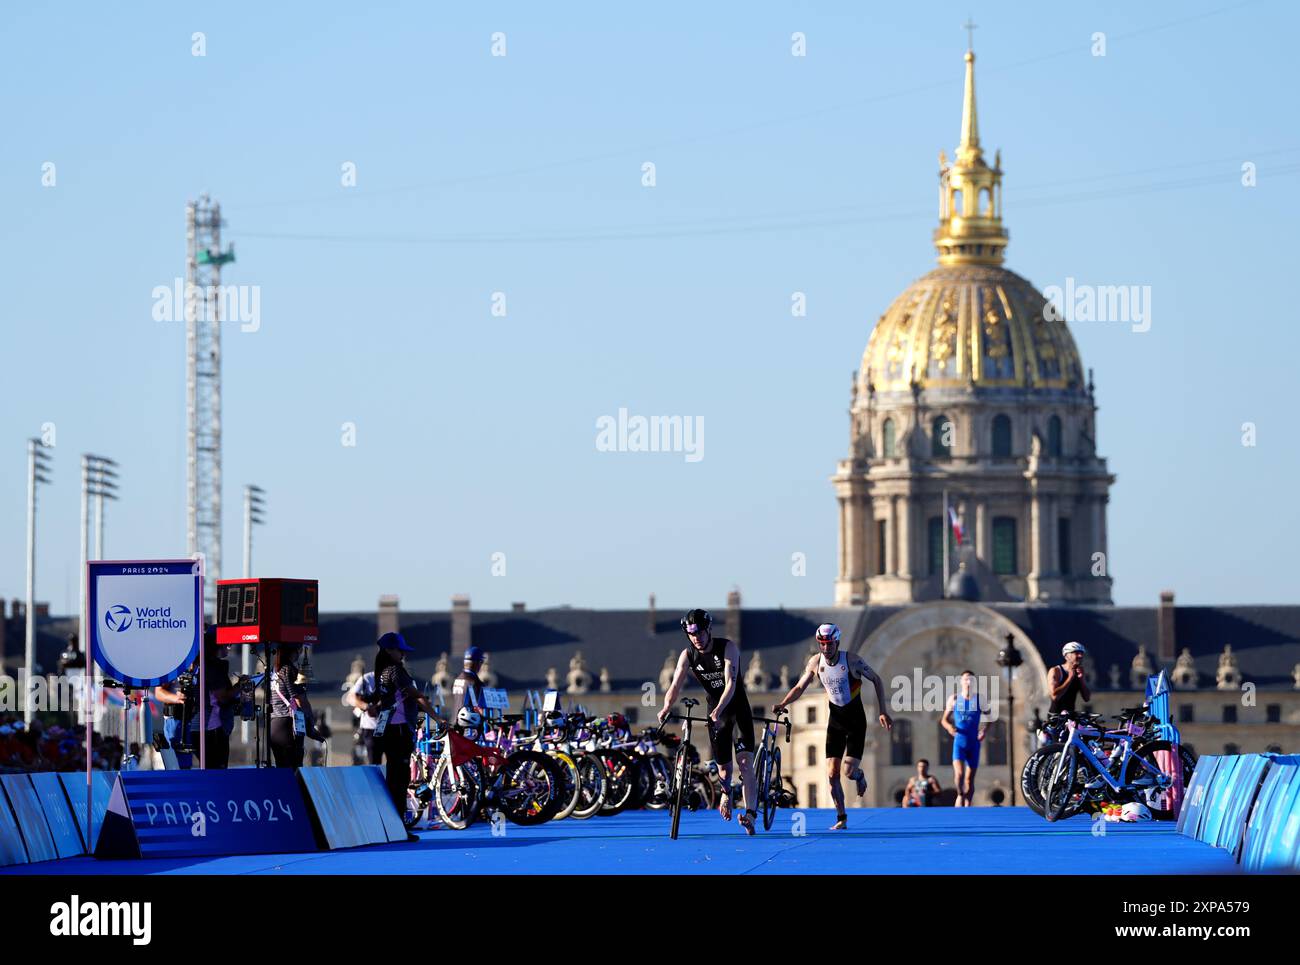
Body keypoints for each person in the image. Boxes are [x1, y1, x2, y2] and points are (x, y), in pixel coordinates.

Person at [774, 622, 892, 830]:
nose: (826, 649)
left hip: (856, 721)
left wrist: (882, 711)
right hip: (835, 721)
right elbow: (800, 686)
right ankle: (841, 817)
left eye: (829, 644)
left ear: (836, 642)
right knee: (831, 774)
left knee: (848, 772)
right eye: (822, 644)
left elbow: (877, 680)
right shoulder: (815, 662)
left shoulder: (852, 660)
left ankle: (859, 775)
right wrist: (783, 703)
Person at [657, 608, 760, 835]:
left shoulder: (727, 648)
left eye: (700, 634)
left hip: (736, 708)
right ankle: (726, 793)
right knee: (724, 770)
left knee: (744, 763)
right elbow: (674, 686)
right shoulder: (688, 655)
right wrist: (666, 706)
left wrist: (719, 709)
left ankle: (751, 814)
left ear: (708, 630)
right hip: (716, 712)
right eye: (692, 635)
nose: (697, 639)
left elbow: (731, 683)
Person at [371, 631, 438, 837]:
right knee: (400, 780)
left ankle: (394, 825)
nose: (403, 655)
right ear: (390, 650)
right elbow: (417, 697)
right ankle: (399, 827)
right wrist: (438, 718)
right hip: (399, 731)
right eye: (400, 651)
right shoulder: (395, 671)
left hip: (389, 730)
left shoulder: (381, 672)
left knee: (394, 779)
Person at [269, 644, 327, 769]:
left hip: (274, 725)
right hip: (289, 725)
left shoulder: (275, 671)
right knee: (294, 769)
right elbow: (300, 700)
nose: (301, 652)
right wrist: (311, 724)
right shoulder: (288, 670)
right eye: (300, 649)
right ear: (294, 651)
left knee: (282, 769)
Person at [942, 670, 986, 807]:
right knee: (959, 775)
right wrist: (949, 728)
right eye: (966, 679)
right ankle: (960, 794)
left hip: (974, 743)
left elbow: (991, 718)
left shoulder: (979, 699)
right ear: (961, 682)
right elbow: (944, 720)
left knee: (969, 779)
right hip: (959, 742)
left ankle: (968, 803)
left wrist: (984, 730)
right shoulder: (954, 699)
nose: (968, 682)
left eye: (971, 680)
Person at [345, 669, 382, 764]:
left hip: (392, 727)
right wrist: (367, 707)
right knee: (374, 763)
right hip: (372, 727)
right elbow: (350, 698)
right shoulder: (367, 678)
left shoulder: (397, 677)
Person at [1048, 641, 1091, 714]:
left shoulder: (1080, 671)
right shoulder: (1056, 671)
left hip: (1071, 716)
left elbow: (1087, 698)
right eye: (1076, 653)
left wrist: (1081, 679)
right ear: (1067, 655)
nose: (1080, 656)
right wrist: (1070, 677)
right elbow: (1055, 697)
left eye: (1081, 653)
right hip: (1056, 717)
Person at [453, 646, 487, 714]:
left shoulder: (457, 679)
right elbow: (480, 708)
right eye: (481, 662)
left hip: (455, 720)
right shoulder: (474, 682)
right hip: (470, 722)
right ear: (477, 663)